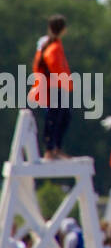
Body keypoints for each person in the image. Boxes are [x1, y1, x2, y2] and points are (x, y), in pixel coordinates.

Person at [28, 14, 75, 159]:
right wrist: (65, 81)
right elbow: (55, 66)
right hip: (51, 88)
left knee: (63, 116)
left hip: (54, 86)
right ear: (63, 29)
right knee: (54, 118)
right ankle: (50, 150)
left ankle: (56, 148)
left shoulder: (51, 44)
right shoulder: (52, 47)